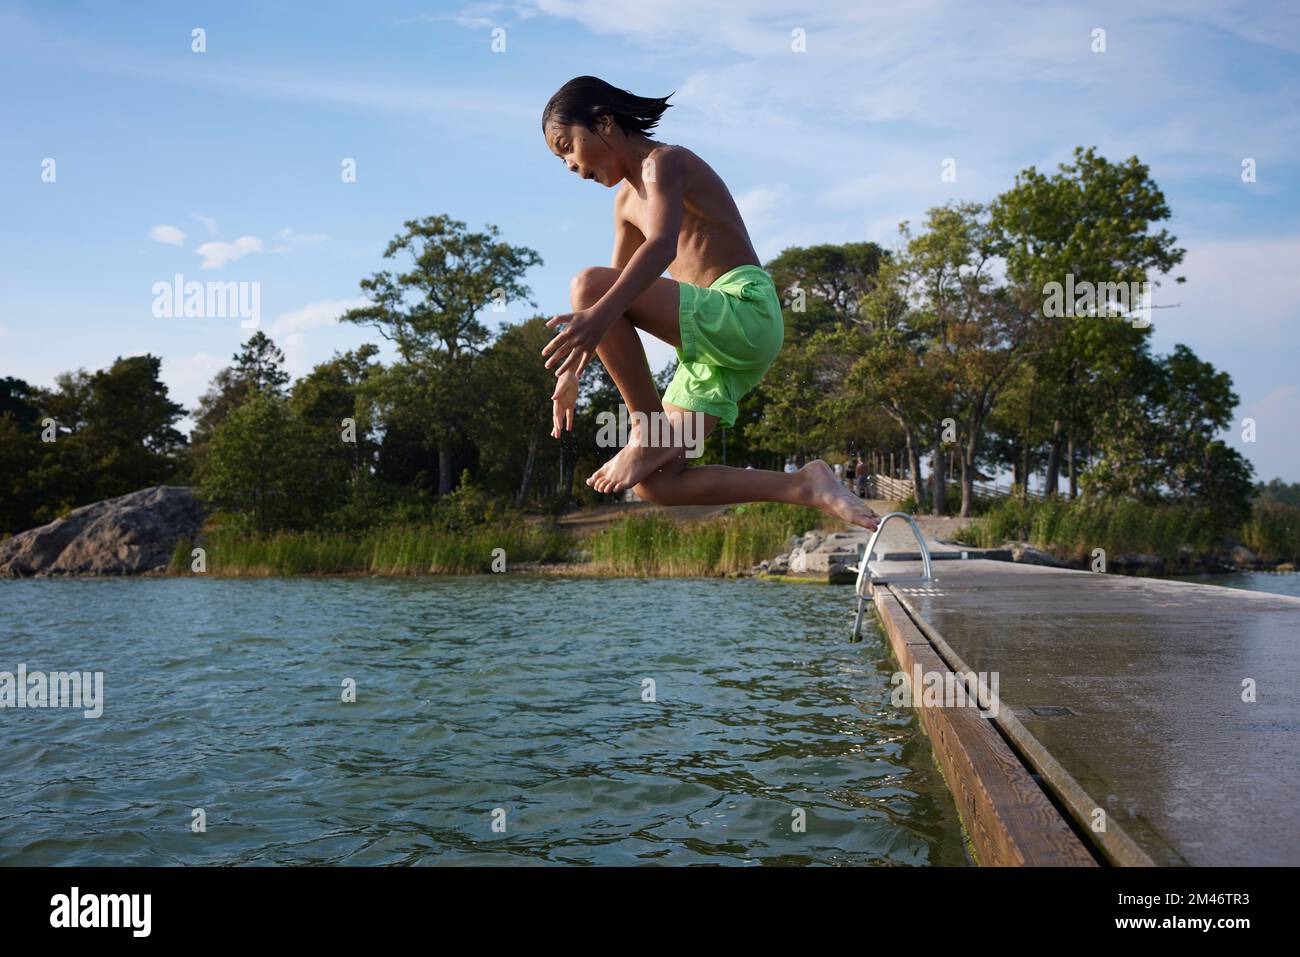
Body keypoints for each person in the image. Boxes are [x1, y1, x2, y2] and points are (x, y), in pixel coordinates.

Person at [540, 77, 879, 530]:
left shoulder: (665, 163)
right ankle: (806, 485)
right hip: (709, 354)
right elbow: (614, 303)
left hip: (744, 310)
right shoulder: (624, 203)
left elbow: (657, 250)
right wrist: (569, 374)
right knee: (656, 483)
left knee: (586, 284)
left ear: (603, 122)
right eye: (560, 158)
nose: (568, 165)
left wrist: (592, 325)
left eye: (567, 146)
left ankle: (649, 432)